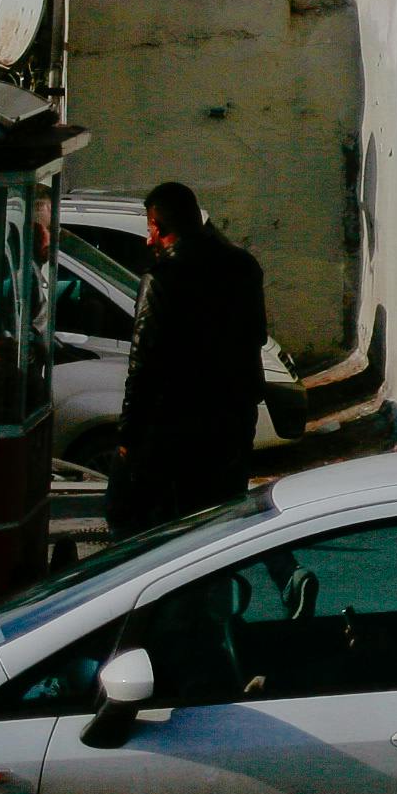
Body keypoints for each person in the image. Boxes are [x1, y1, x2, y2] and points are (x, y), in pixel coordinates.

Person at [111, 181, 270, 536]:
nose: (148, 241)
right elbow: (256, 336)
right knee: (221, 524)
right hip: (232, 423)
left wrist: (128, 437)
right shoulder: (243, 266)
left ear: (159, 226)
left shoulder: (162, 279)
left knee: (162, 530)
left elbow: (143, 365)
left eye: (149, 230)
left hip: (176, 430)